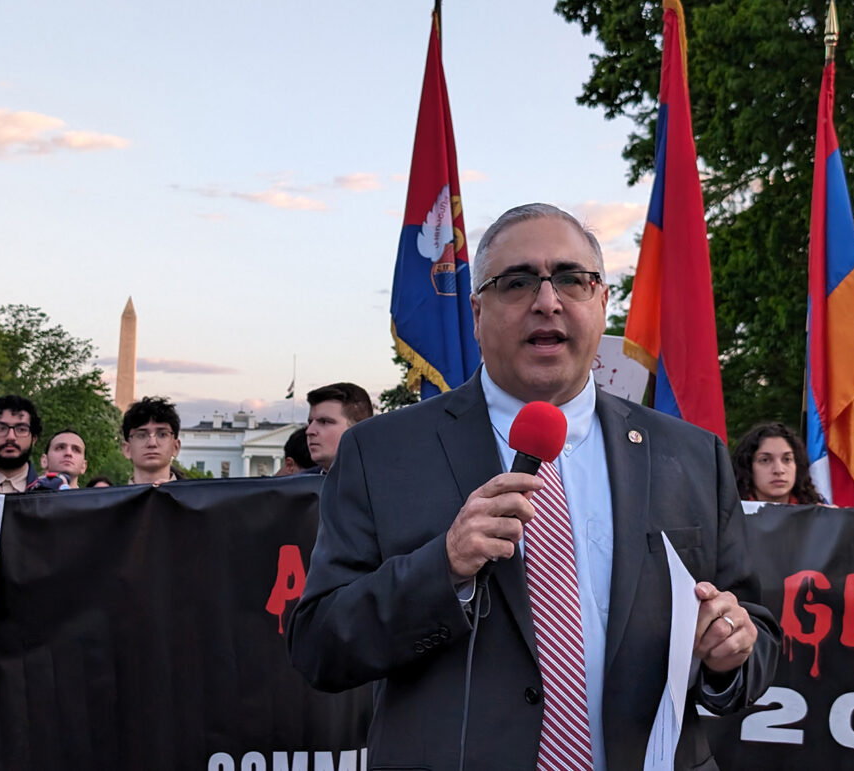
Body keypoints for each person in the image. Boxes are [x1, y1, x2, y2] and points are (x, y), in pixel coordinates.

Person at [289, 203, 779, 770]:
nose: (547, 301)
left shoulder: (692, 454)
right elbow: (319, 645)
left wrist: (729, 653)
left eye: (571, 279)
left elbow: (756, 632)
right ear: (476, 312)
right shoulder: (380, 452)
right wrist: (442, 568)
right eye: (517, 282)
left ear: (602, 302)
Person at [731, 422, 822, 504]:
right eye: (765, 460)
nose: (779, 470)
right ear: (748, 466)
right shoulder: (729, 518)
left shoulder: (818, 517)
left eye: (787, 459)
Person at [0, 394, 43, 493]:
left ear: (34, 439)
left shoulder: (48, 493)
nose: (11, 437)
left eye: (21, 429)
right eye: (1, 428)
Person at [304, 382, 373, 473]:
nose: (309, 431)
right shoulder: (292, 486)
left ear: (359, 429)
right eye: (310, 422)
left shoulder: (391, 483)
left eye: (324, 421)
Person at [121, 396, 181, 485]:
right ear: (127, 449)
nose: (152, 443)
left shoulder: (195, 498)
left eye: (162, 434)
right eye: (141, 435)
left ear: (175, 447)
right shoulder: (109, 498)